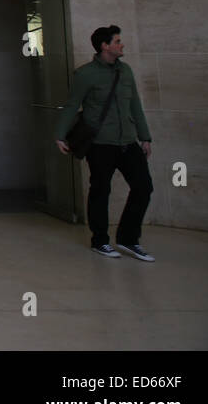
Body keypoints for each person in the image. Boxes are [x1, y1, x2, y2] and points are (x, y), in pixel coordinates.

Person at [55, 25, 155, 260]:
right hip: (100, 144)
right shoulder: (86, 74)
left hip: (128, 141)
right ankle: (100, 240)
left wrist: (145, 137)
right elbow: (72, 106)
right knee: (101, 190)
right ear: (105, 46)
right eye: (118, 41)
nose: (122, 45)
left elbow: (135, 106)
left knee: (144, 187)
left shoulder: (126, 71)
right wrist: (60, 134)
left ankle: (129, 239)